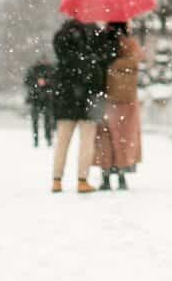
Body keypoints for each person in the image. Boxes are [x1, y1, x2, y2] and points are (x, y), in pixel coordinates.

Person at [51, 19, 116, 194]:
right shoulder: (97, 35)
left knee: (62, 141)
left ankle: (57, 180)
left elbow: (61, 58)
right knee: (87, 141)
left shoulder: (62, 35)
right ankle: (82, 180)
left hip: (66, 95)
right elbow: (110, 56)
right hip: (92, 94)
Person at [94, 22, 145, 191]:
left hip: (104, 97)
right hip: (125, 100)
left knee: (104, 138)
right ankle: (122, 174)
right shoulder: (129, 45)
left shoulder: (100, 42)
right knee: (124, 137)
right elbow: (136, 62)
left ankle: (106, 175)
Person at [24, 56, 56, 147]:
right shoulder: (34, 70)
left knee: (47, 120)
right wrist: (37, 84)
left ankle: (48, 138)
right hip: (36, 98)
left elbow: (54, 83)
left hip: (46, 98)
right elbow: (27, 82)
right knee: (36, 120)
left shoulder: (50, 70)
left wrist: (45, 83)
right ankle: (37, 139)